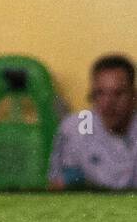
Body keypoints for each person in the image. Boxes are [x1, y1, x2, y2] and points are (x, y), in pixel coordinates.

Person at [49, 54, 137, 189]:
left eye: (118, 93)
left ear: (133, 96)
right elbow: (57, 185)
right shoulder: (74, 128)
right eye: (100, 93)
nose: (108, 104)